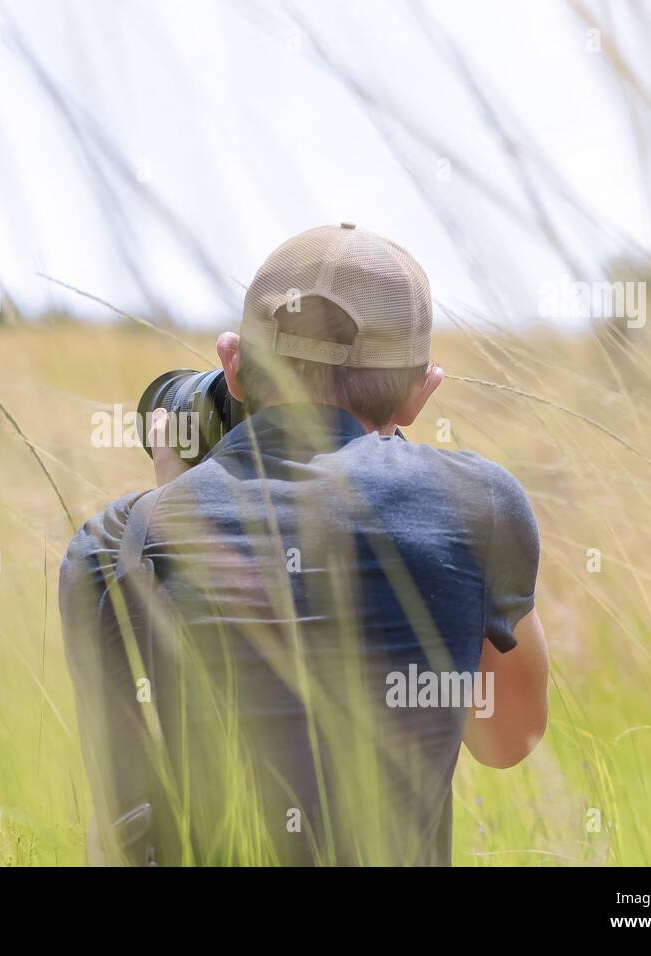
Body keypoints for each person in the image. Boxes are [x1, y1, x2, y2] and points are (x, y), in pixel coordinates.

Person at [60, 223, 548, 866]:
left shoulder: (109, 547)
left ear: (233, 365)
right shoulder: (478, 506)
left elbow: (119, 831)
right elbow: (507, 738)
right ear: (419, 393)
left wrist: (174, 503)